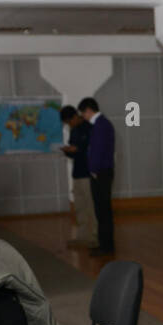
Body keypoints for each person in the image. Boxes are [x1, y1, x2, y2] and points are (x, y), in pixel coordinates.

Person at [78, 97, 115, 256]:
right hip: (101, 171)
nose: (83, 117)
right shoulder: (101, 124)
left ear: (88, 110)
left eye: (83, 113)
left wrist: (93, 169)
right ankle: (103, 243)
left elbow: (97, 150)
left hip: (101, 172)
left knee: (103, 210)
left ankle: (106, 246)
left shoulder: (100, 125)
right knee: (101, 210)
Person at [59, 105, 97, 250]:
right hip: (77, 173)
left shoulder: (89, 127)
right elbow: (74, 151)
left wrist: (78, 149)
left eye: (69, 122)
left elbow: (90, 149)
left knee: (91, 207)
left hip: (89, 174)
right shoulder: (74, 130)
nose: (69, 125)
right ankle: (83, 237)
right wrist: (68, 151)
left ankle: (94, 237)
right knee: (80, 207)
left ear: (75, 117)